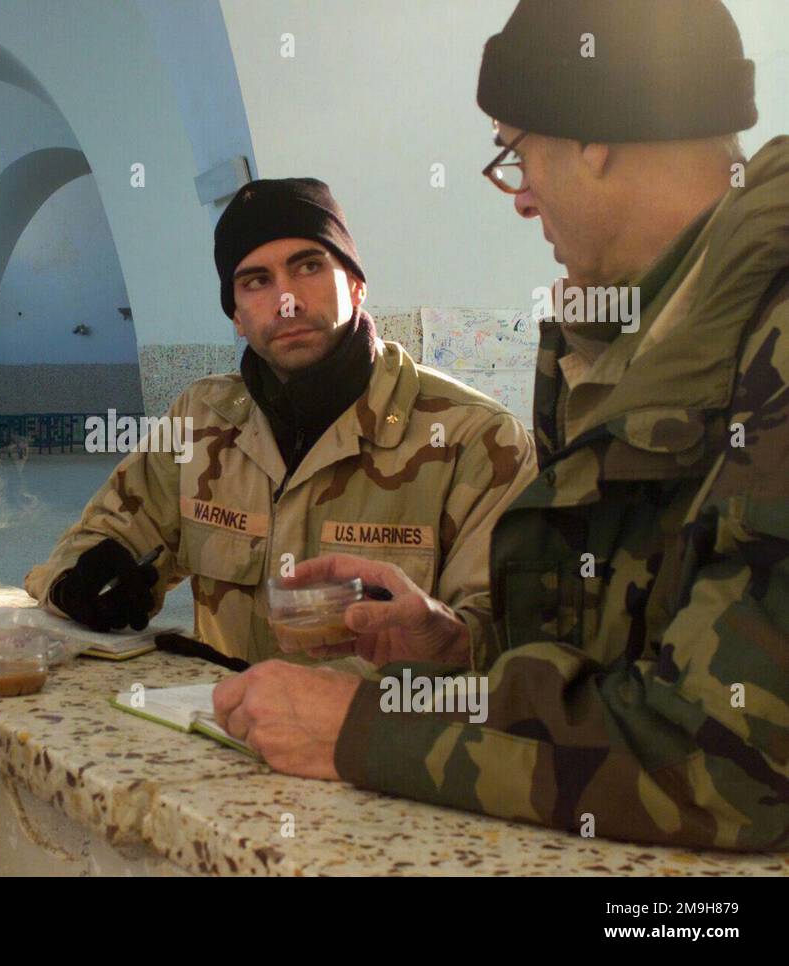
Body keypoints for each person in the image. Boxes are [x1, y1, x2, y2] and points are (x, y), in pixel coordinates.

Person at [214, 0, 789, 850]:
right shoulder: (615, 342)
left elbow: (734, 763)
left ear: (591, 135)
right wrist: (457, 651)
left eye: (517, 155)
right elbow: (612, 659)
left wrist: (369, 732)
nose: (521, 200)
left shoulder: (764, 337)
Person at [25, 177, 536, 664]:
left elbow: (517, 652)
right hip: (218, 734)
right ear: (237, 317)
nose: (285, 299)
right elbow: (99, 537)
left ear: (356, 285)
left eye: (309, 266)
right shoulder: (202, 422)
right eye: (256, 281)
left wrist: (447, 639)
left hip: (379, 748)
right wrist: (78, 584)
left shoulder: (478, 441)